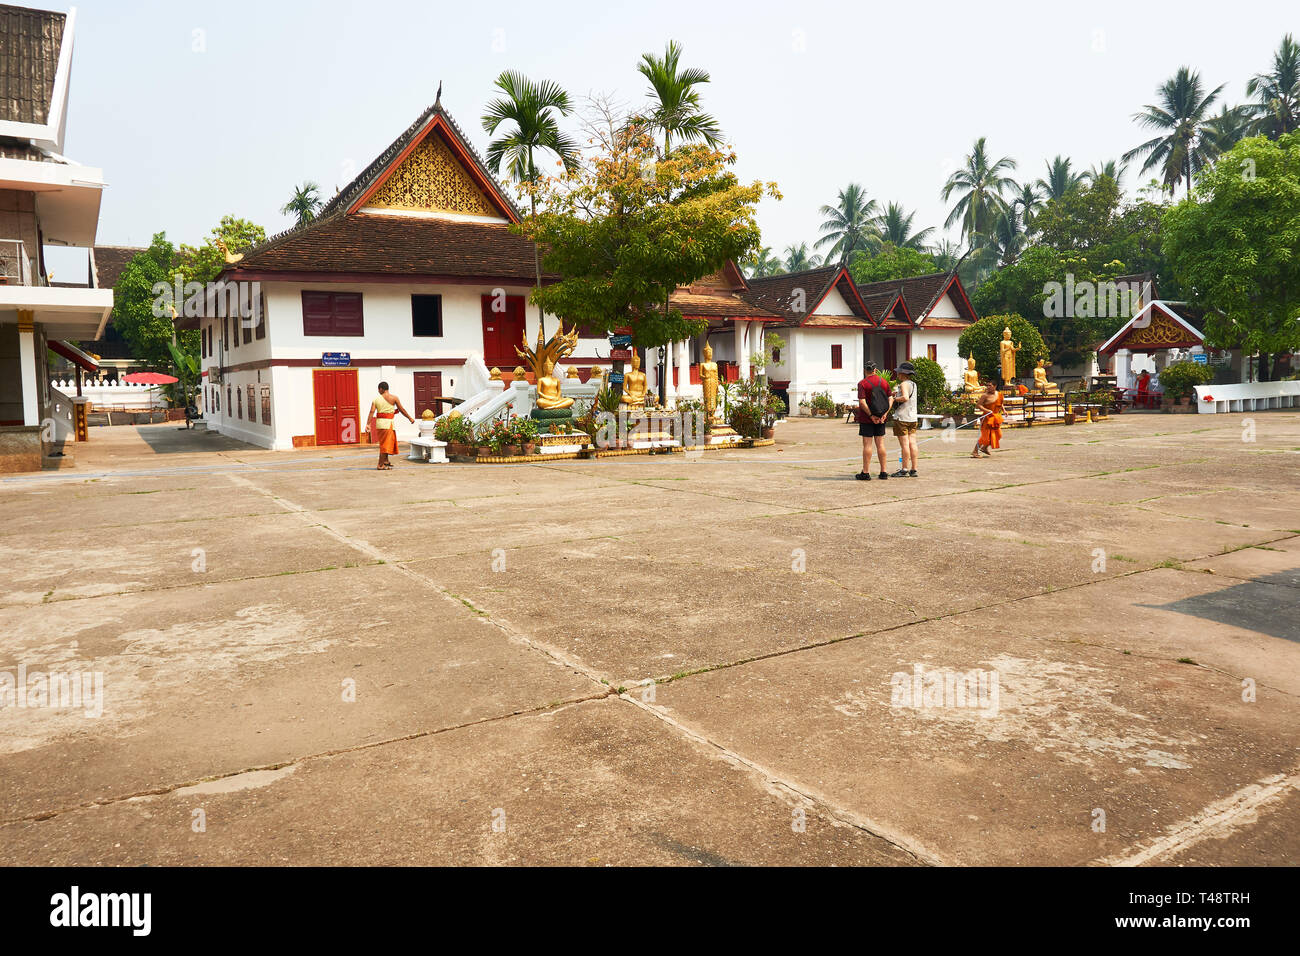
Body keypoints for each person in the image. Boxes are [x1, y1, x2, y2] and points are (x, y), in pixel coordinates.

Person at [855, 360, 893, 480]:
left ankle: (866, 472)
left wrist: (871, 415)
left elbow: (862, 402)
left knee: (867, 445)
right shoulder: (884, 382)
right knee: (880, 444)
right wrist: (885, 414)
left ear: (865, 370)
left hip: (867, 419)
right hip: (881, 417)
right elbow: (890, 398)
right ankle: (883, 471)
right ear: (875, 370)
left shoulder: (862, 384)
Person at [367, 381, 414, 470]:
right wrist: (410, 418)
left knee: (386, 443)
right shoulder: (394, 398)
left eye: (378, 389)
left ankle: (386, 461)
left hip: (380, 424)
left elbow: (371, 412)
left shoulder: (376, 399)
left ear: (381, 389)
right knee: (385, 444)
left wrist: (368, 424)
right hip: (389, 423)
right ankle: (380, 465)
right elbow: (402, 409)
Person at [890, 361, 920, 477]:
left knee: (904, 445)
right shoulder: (913, 384)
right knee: (912, 442)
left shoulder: (903, 384)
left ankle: (904, 469)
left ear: (903, 374)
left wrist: (894, 398)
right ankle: (914, 468)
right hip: (912, 417)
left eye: (899, 373)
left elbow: (905, 398)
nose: (897, 375)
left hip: (902, 417)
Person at [972, 381, 1003, 458]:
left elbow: (1001, 403)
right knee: (985, 437)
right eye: (987, 385)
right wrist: (987, 410)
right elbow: (978, 405)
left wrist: (1004, 410)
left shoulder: (998, 394)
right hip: (986, 418)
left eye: (990, 385)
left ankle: (984, 448)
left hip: (995, 418)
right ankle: (975, 452)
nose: (988, 387)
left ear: (995, 386)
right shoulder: (984, 396)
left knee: (998, 435)